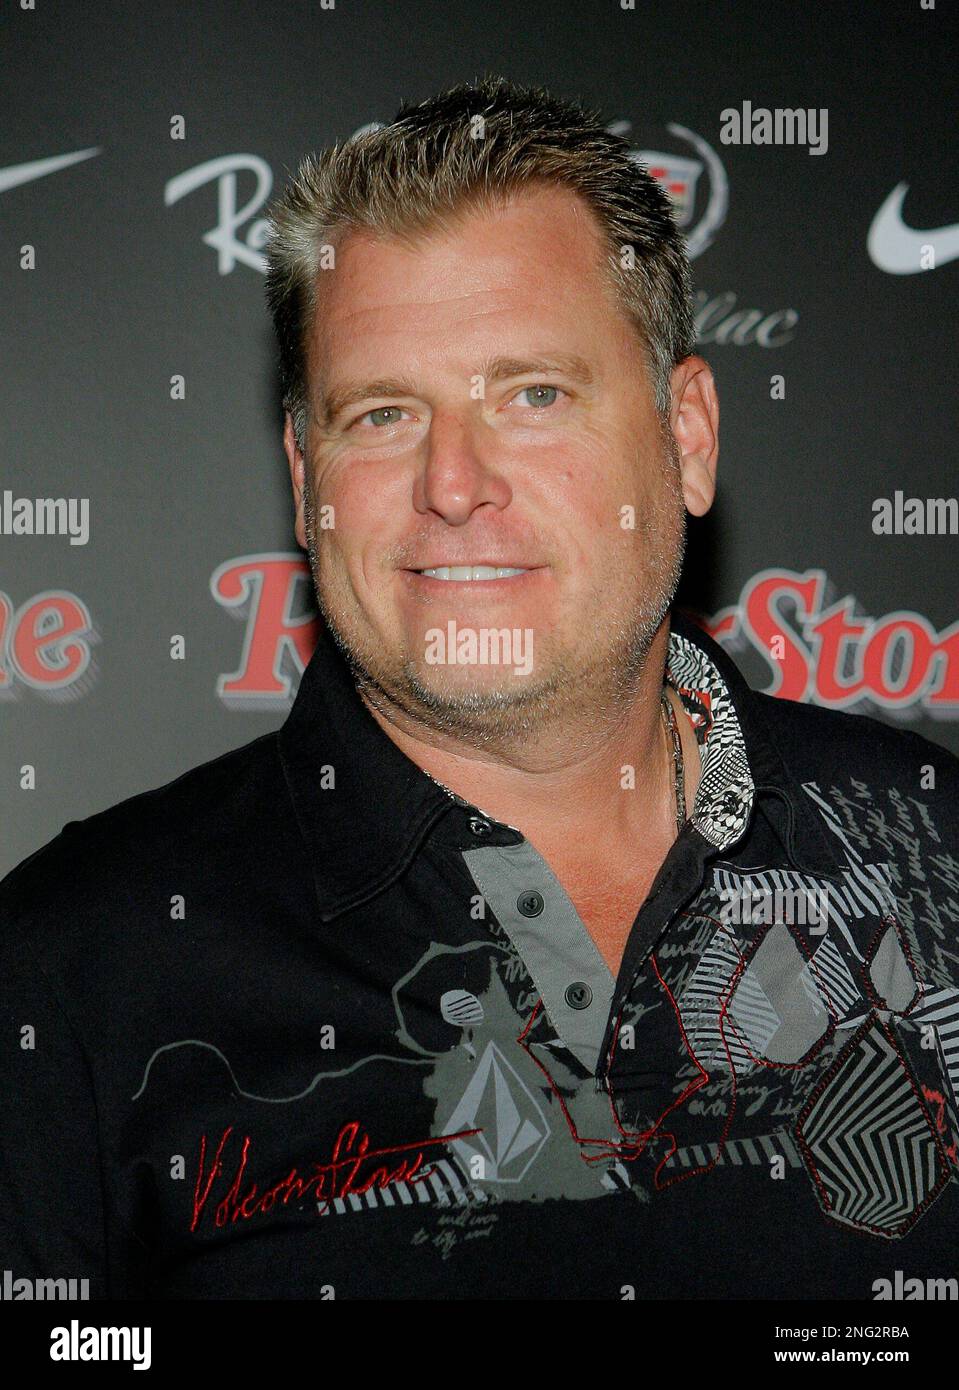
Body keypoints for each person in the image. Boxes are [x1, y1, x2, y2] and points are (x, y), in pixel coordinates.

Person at [2, 75, 958, 1301]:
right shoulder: (70, 971)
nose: (453, 482)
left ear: (688, 436)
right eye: (384, 413)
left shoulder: (934, 851)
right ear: (306, 479)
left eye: (533, 395)